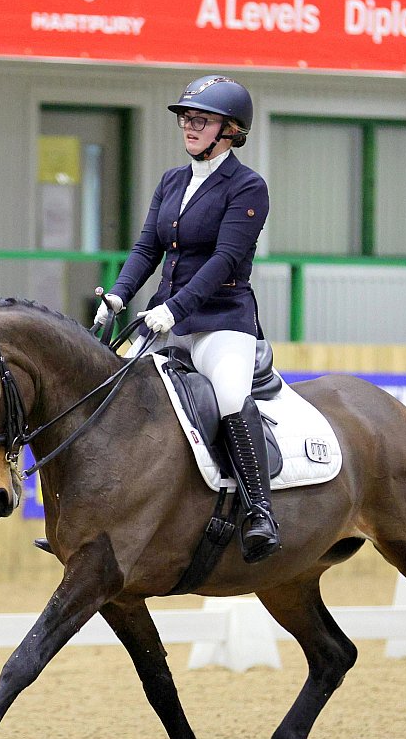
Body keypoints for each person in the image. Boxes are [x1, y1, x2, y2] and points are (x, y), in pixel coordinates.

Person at [92, 74, 278, 562]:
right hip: (163, 319)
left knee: (231, 396)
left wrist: (174, 309)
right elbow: (146, 248)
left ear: (231, 130)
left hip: (222, 322)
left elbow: (226, 260)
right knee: (113, 395)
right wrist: (117, 297)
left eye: (202, 120)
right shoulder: (172, 181)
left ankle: (260, 512)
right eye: (186, 119)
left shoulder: (247, 187)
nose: (190, 127)